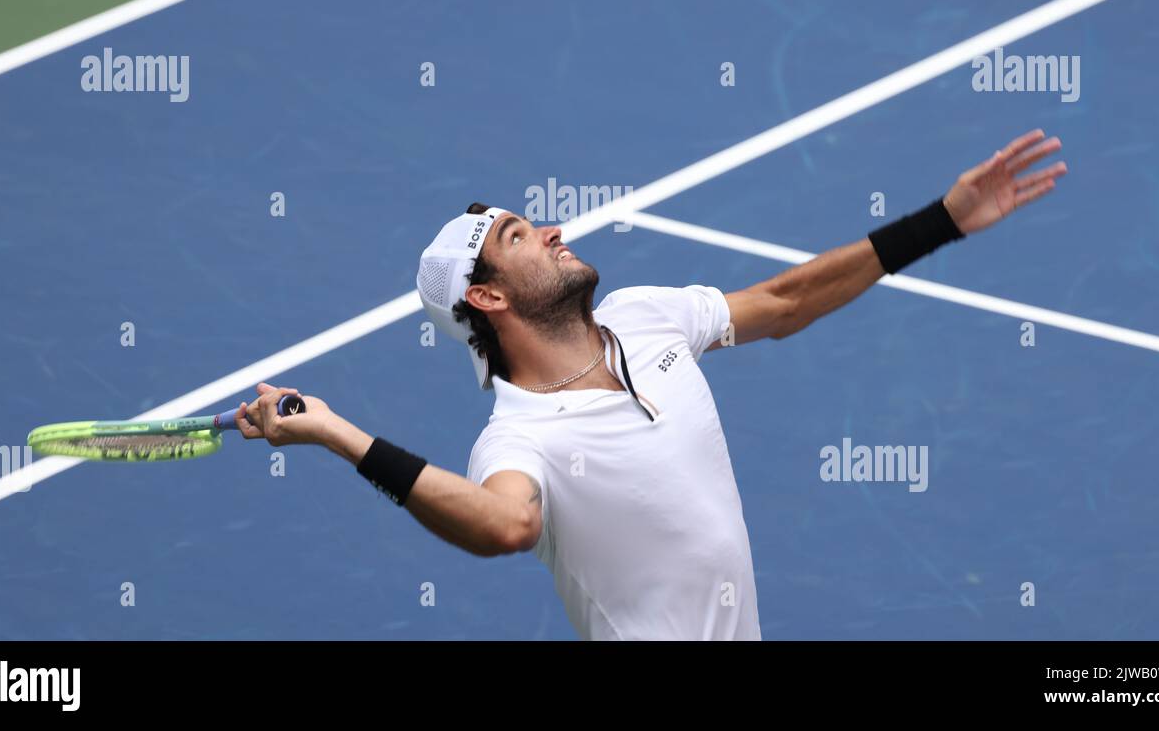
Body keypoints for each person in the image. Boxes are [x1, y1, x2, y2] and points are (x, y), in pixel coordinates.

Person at [237, 128, 1067, 640]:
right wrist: (338, 432)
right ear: (486, 296)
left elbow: (784, 301)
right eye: (525, 236)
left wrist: (943, 220)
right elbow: (505, 524)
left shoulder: (645, 315)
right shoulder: (519, 437)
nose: (555, 229)